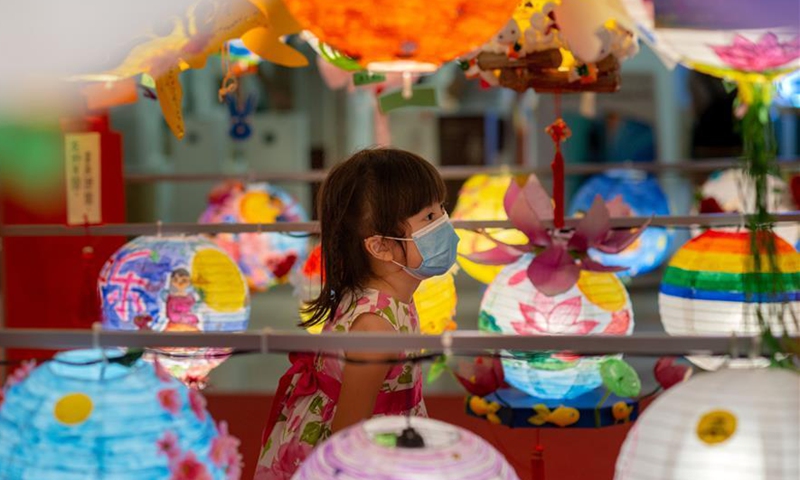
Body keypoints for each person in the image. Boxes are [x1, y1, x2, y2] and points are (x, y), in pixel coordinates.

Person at [254, 148, 459, 479]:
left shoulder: (392, 295)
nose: (445, 224)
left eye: (441, 209)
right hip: (359, 454)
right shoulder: (375, 328)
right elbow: (346, 436)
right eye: (430, 218)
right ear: (379, 246)